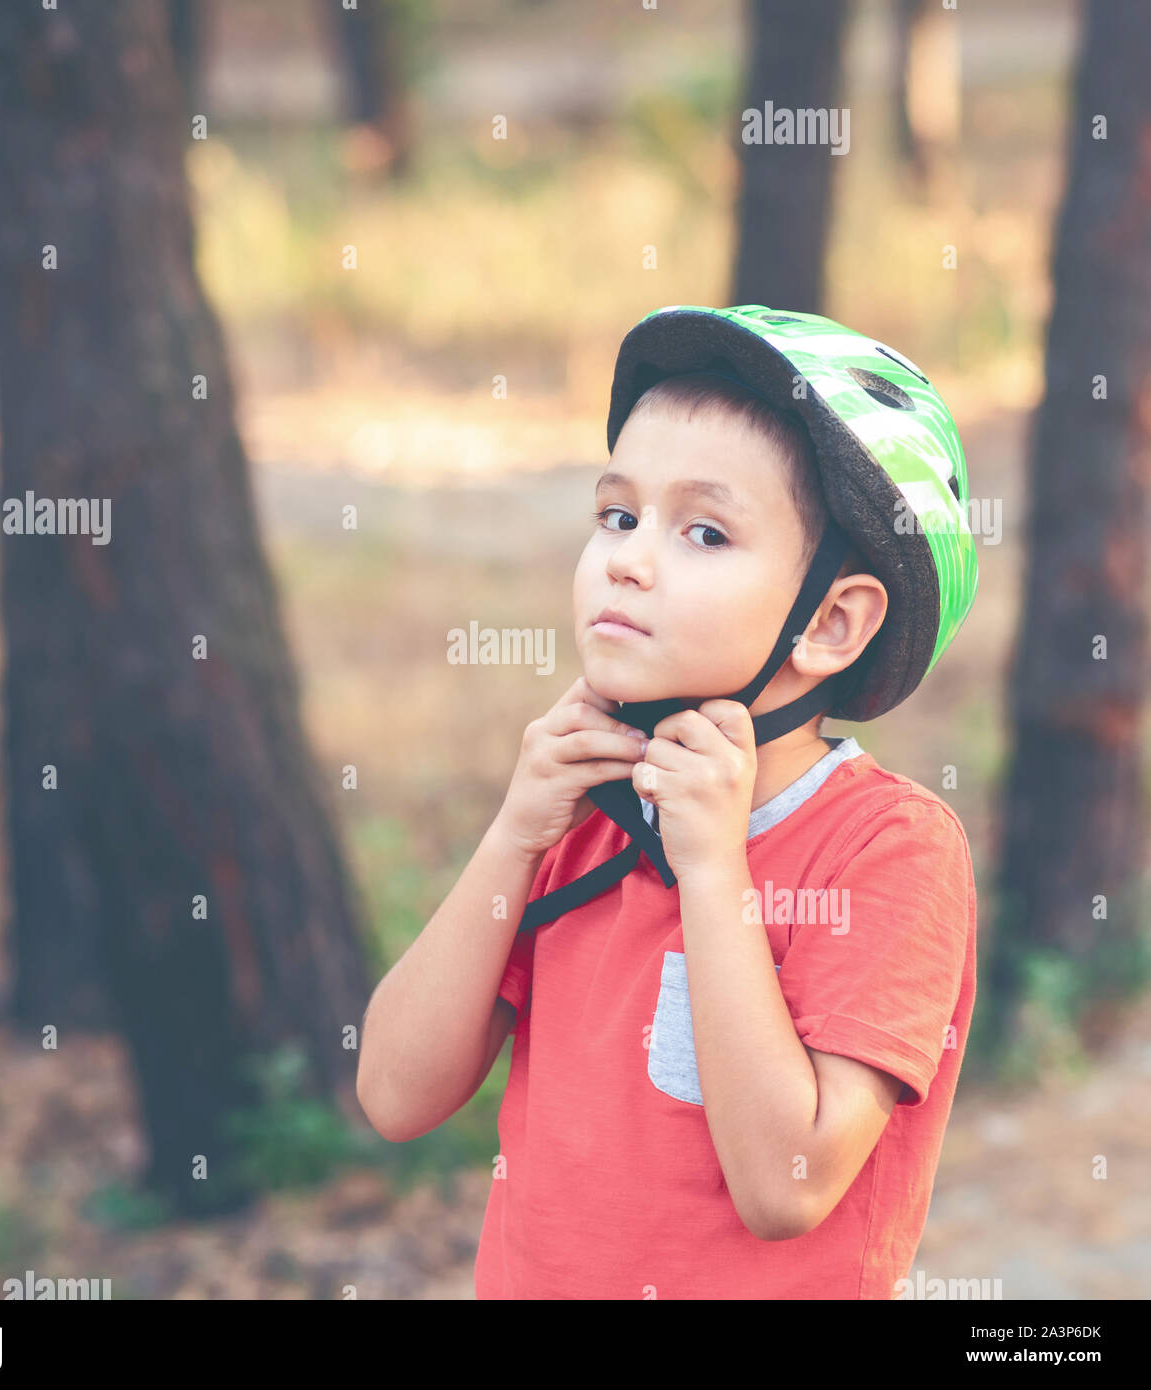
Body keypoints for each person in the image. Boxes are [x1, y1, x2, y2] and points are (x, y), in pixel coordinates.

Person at [356, 304, 980, 1299]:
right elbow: (392, 1094)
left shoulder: (887, 850)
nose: (629, 558)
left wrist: (713, 871)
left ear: (830, 621)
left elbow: (788, 1184)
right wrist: (515, 835)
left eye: (702, 531)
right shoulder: (581, 816)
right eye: (616, 515)